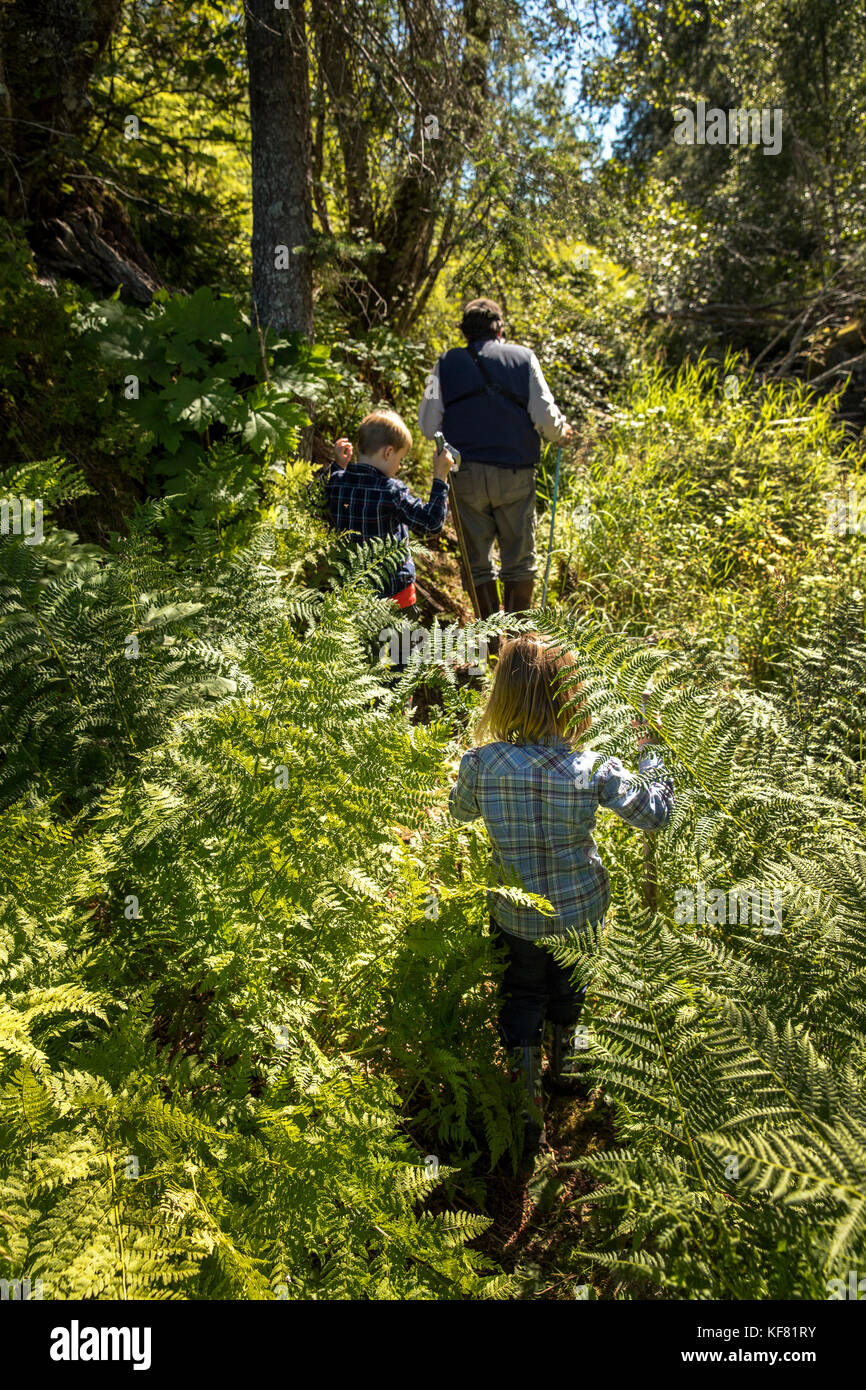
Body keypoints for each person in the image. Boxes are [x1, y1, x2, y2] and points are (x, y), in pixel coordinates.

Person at [447, 633, 674, 1157]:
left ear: (502, 693)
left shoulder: (481, 764)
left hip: (515, 913)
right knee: (570, 992)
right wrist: (652, 752)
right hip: (581, 912)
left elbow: (458, 813)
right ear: (572, 697)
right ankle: (566, 1073)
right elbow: (656, 813)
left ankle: (526, 1109)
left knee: (521, 995)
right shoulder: (595, 767)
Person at [418, 298, 572, 626]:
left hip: (466, 476)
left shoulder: (445, 363)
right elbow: (545, 418)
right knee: (520, 562)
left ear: (465, 332)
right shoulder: (524, 358)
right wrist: (561, 432)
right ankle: (517, 650)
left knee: (478, 564)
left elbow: (429, 425)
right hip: (516, 475)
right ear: (500, 329)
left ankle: (490, 645)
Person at [326, 409, 453, 622]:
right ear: (388, 452)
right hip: (396, 597)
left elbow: (315, 494)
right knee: (402, 654)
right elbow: (431, 524)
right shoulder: (390, 491)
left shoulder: (337, 482)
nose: (399, 466)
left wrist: (339, 464)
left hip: (355, 598)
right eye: (400, 459)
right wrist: (440, 477)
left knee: (366, 654)